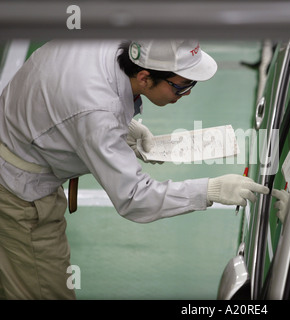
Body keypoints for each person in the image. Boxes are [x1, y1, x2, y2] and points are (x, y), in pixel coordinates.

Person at [0, 39, 269, 299]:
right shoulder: (97, 113)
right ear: (144, 78)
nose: (186, 94)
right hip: (18, 192)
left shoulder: (115, 45)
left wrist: (123, 127)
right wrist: (210, 190)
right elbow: (134, 198)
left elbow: (65, 96)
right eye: (181, 87)